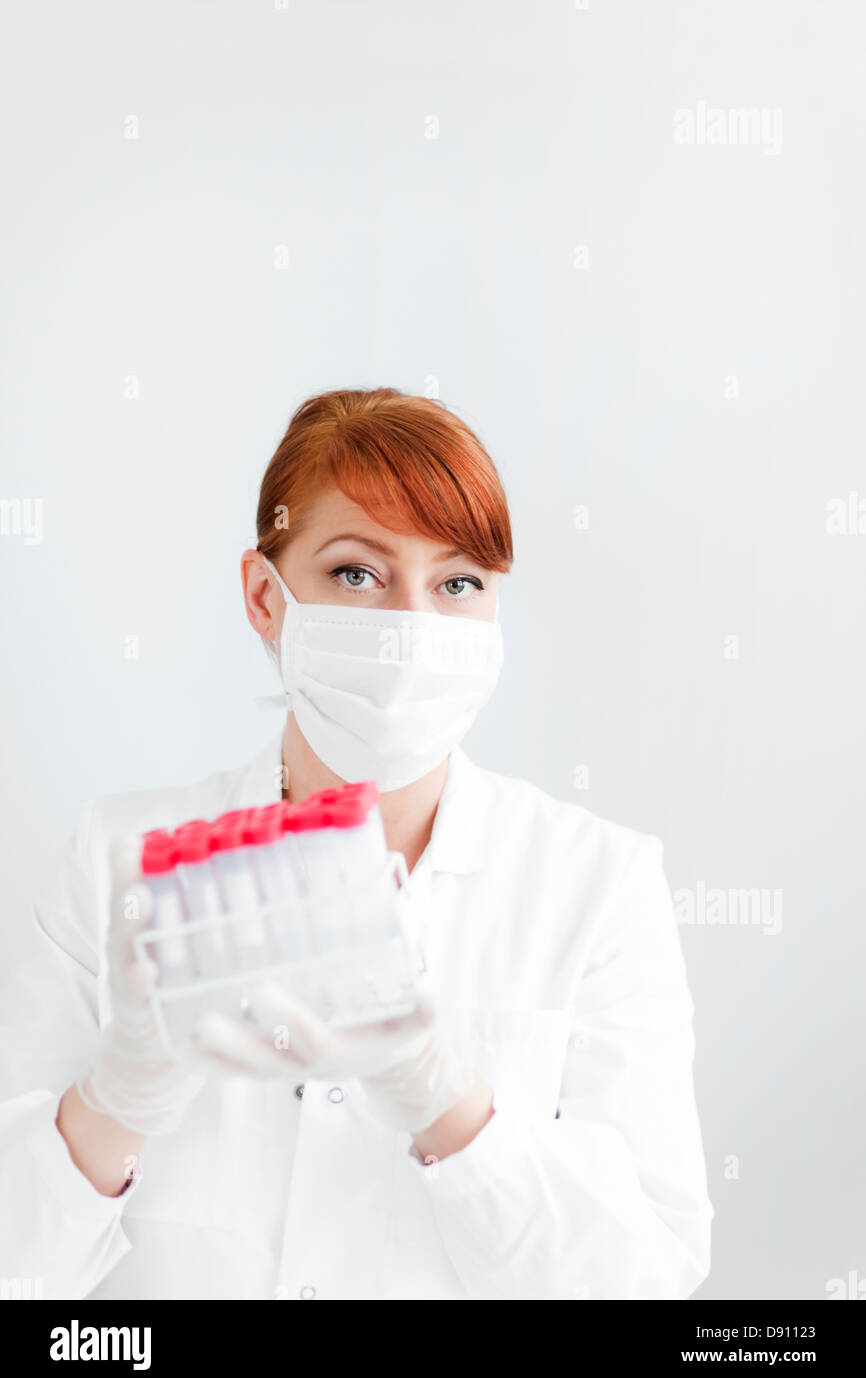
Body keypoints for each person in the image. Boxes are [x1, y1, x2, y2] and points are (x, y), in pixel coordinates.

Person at [0, 387, 713, 1300]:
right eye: (356, 573)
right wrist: (114, 1103)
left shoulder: (598, 884)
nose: (413, 627)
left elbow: (646, 1282)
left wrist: (446, 1103)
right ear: (265, 597)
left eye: (459, 583)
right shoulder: (117, 859)